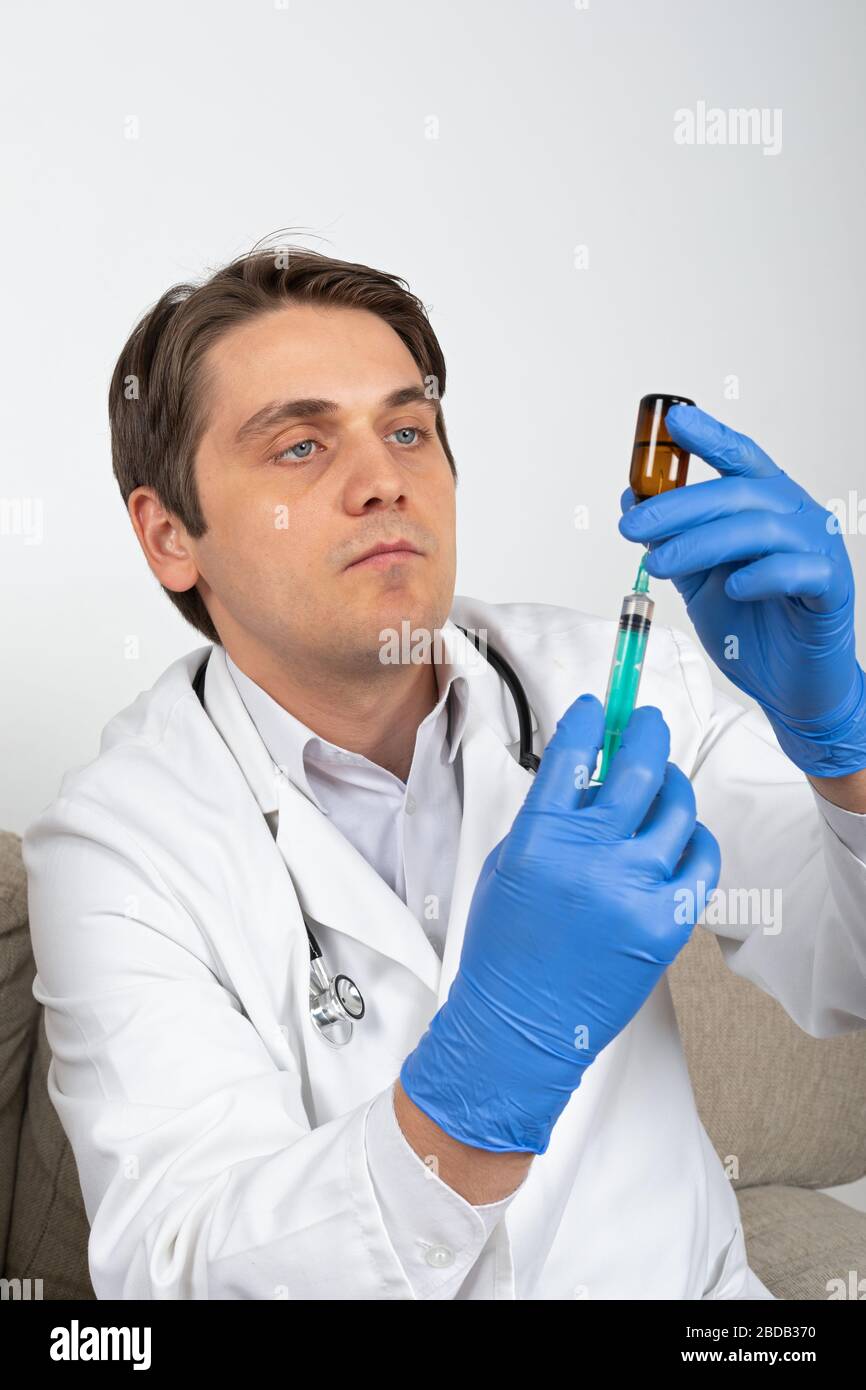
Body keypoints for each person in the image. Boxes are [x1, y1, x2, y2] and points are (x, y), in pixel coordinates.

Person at [22, 240, 866, 1300]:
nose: (382, 480)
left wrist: (842, 753)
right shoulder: (118, 847)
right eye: (297, 447)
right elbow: (179, 1272)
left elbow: (851, 973)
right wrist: (484, 1078)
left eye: (407, 428)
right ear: (167, 535)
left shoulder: (611, 686)